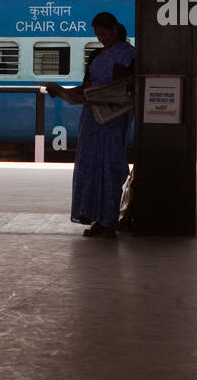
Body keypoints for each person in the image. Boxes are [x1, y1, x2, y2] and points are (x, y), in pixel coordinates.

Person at [46, 13, 136, 238]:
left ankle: (110, 220)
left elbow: (131, 85)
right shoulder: (96, 55)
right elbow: (87, 86)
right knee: (90, 166)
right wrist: (62, 92)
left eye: (104, 34)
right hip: (92, 117)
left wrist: (117, 85)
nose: (101, 39)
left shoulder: (130, 55)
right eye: (97, 35)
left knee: (111, 166)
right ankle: (96, 217)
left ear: (115, 29)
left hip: (114, 117)